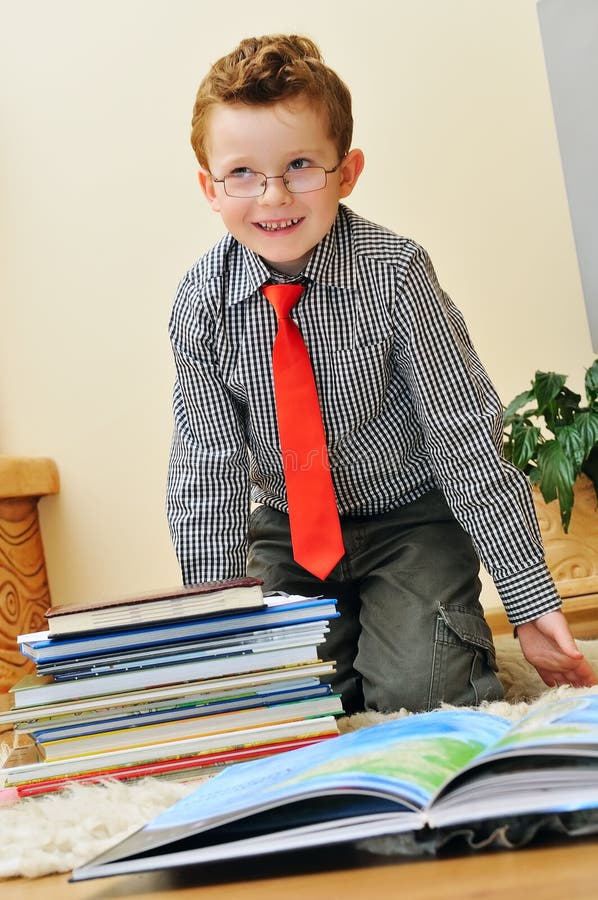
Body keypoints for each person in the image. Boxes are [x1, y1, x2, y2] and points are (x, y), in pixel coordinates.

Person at [166, 33, 596, 714]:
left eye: (300, 165)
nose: (274, 195)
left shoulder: (395, 273)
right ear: (208, 189)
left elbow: (464, 435)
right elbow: (206, 467)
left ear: (347, 172)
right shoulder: (202, 303)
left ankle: (421, 633)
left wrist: (529, 600)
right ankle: (338, 644)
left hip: (410, 521)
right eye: (242, 173)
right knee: (284, 700)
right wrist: (218, 617)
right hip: (289, 530)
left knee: (422, 696)